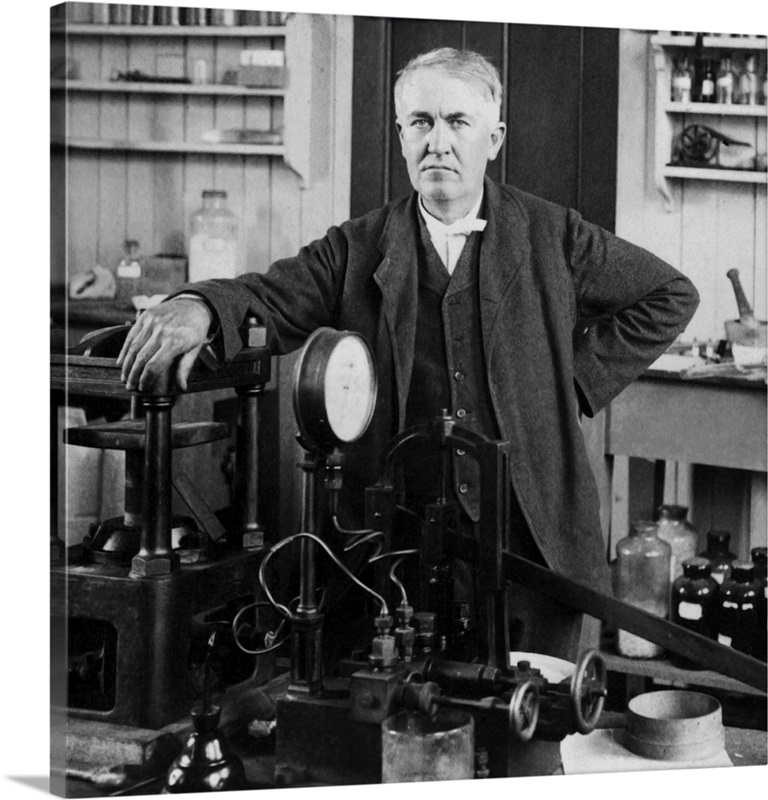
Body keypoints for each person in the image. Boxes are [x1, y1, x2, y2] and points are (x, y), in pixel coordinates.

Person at [118, 48, 699, 661]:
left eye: (458, 122)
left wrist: (570, 383)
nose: (438, 143)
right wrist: (200, 304)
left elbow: (670, 294)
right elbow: (268, 295)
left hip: (531, 538)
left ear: (494, 139)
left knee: (529, 723)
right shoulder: (357, 247)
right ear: (400, 137)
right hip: (397, 545)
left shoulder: (553, 235)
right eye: (420, 122)